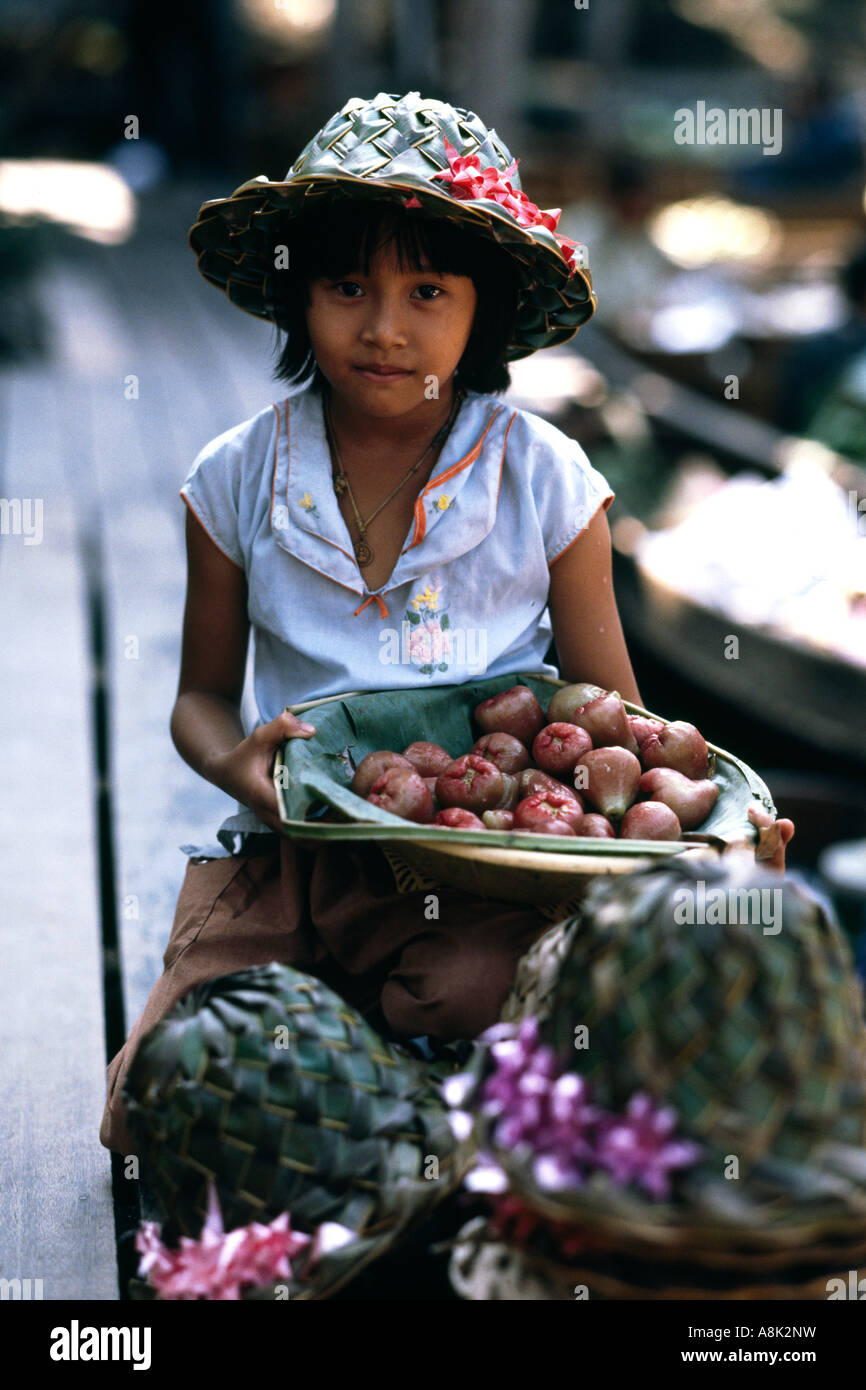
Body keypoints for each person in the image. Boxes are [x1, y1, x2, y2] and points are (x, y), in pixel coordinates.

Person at [100, 92, 792, 1155]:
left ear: (485, 310)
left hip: (483, 864)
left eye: (426, 289)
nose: (382, 326)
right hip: (295, 849)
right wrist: (241, 764)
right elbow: (197, 697)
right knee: (163, 1092)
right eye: (345, 287)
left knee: (471, 989)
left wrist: (707, 839)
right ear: (297, 300)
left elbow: (619, 724)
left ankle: (413, 1116)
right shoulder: (235, 478)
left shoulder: (545, 482)